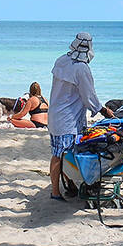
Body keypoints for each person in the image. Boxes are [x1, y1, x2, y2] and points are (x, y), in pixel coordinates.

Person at [47, 32, 113, 202]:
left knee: (60, 154)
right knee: (61, 155)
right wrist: (104, 111)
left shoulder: (61, 60)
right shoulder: (81, 68)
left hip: (55, 114)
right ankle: (55, 192)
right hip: (67, 119)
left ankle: (70, 185)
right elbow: (89, 96)